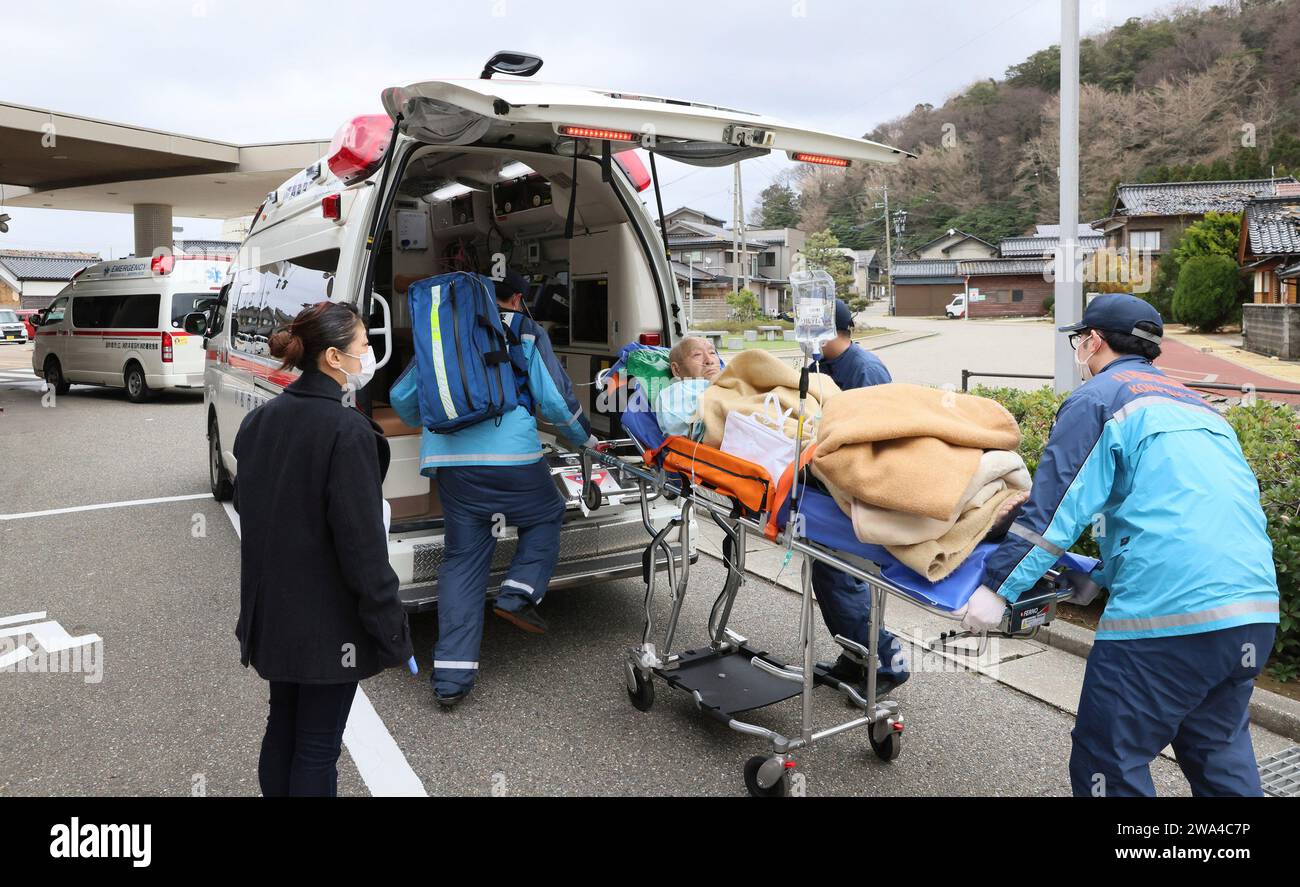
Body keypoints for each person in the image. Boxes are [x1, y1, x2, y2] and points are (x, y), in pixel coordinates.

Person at [964, 293, 1279, 797]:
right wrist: (1101, 575)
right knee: (1219, 754)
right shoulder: (1201, 408)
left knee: (1109, 759)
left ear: (1092, 340)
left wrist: (997, 588)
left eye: (1078, 339)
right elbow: (1182, 515)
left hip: (1167, 621)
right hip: (1252, 611)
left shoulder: (1101, 399)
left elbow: (1056, 508)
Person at [389, 268, 596, 707]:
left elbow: (403, 400)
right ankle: (518, 593)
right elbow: (555, 399)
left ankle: (450, 680)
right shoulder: (524, 329)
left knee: (462, 561)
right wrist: (584, 439)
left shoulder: (442, 331)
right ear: (518, 299)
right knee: (545, 514)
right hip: (513, 459)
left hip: (451, 465)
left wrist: (437, 421)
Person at [233, 300, 414, 797]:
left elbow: (253, 509)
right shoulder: (347, 431)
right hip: (329, 624)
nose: (369, 355)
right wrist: (391, 628)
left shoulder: (259, 420)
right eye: (363, 346)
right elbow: (362, 549)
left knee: (283, 728)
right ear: (334, 358)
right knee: (316, 747)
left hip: (274, 615)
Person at [810, 299, 909, 697]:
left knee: (844, 578)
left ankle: (889, 663)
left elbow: (880, 437)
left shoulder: (865, 369)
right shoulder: (818, 366)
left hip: (859, 493)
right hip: (828, 487)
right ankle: (855, 658)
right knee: (829, 575)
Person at [654, 335, 721, 437]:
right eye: (697, 355)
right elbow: (695, 429)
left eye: (712, 353)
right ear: (676, 370)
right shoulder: (675, 392)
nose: (709, 360)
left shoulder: (730, 381)